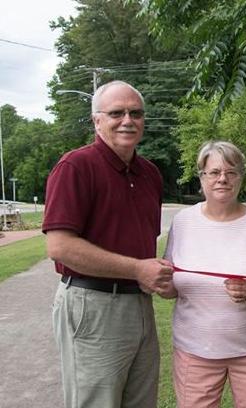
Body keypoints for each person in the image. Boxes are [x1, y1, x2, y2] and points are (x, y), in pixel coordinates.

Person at [43, 80, 173, 408]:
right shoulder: (76, 166)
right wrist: (136, 269)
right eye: (116, 113)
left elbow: (141, 241)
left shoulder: (150, 174)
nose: (128, 120)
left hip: (139, 304)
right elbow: (59, 247)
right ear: (97, 120)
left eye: (136, 113)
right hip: (93, 304)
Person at [160, 141, 246, 408]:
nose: (222, 179)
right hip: (195, 352)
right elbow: (172, 284)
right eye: (214, 172)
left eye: (231, 172)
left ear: (241, 177)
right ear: (201, 177)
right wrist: (162, 284)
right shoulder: (183, 222)